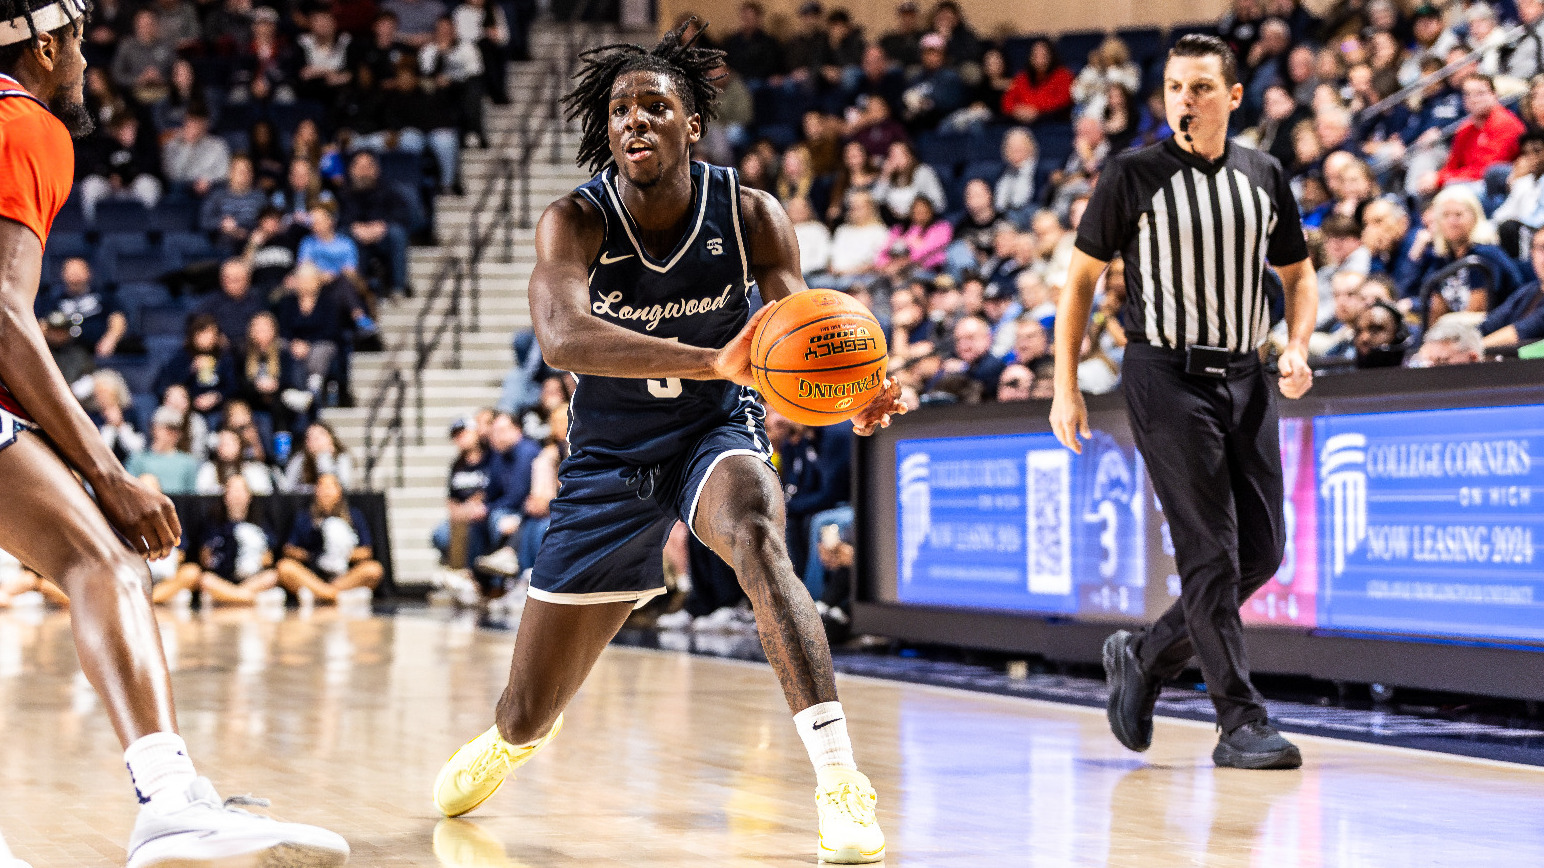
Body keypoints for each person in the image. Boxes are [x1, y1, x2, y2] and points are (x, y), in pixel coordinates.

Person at [430, 24, 904, 865]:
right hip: (609, 457)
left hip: (713, 430)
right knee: (527, 711)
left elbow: (799, 340)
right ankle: (514, 736)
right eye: (620, 110)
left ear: (692, 125)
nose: (634, 121)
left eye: (654, 106)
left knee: (756, 534)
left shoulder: (750, 214)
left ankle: (840, 781)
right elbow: (563, 339)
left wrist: (853, 393)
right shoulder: (574, 220)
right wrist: (708, 357)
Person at [0, 1, 348, 862]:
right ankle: (170, 801)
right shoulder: (24, 122)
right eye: (80, 45)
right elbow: (5, 315)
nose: (87, 64)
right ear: (45, 45)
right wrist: (109, 473)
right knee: (107, 564)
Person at [1050, 35, 1317, 771]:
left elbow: (1298, 274)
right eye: (1174, 87)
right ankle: (1240, 721)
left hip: (1248, 374)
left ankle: (1144, 655)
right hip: (1166, 374)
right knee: (1210, 552)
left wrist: (1297, 345)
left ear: (1233, 97)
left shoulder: (1263, 174)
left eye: (1200, 87)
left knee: (1262, 553)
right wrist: (1065, 386)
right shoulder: (1131, 174)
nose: (1185, 100)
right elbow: (1079, 284)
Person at [275, 472, 381, 604]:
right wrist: (314, 556)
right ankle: (337, 596)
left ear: (339, 491)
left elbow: (366, 552)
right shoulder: (304, 517)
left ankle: (318, 594)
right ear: (315, 491)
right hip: (313, 575)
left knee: (373, 570)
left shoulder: (354, 515)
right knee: (284, 567)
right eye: (322, 487)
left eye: (330, 487)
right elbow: (289, 550)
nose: (326, 492)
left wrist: (339, 554)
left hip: (343, 576)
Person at [179, 474, 283, 606]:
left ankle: (228, 596)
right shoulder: (213, 522)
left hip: (251, 578)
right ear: (225, 496)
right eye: (233, 491)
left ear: (249, 496)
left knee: (272, 576)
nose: (237, 495)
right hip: (223, 578)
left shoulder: (260, 521)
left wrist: (253, 560)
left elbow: (268, 558)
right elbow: (204, 558)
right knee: (205, 579)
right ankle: (252, 599)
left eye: (241, 491)